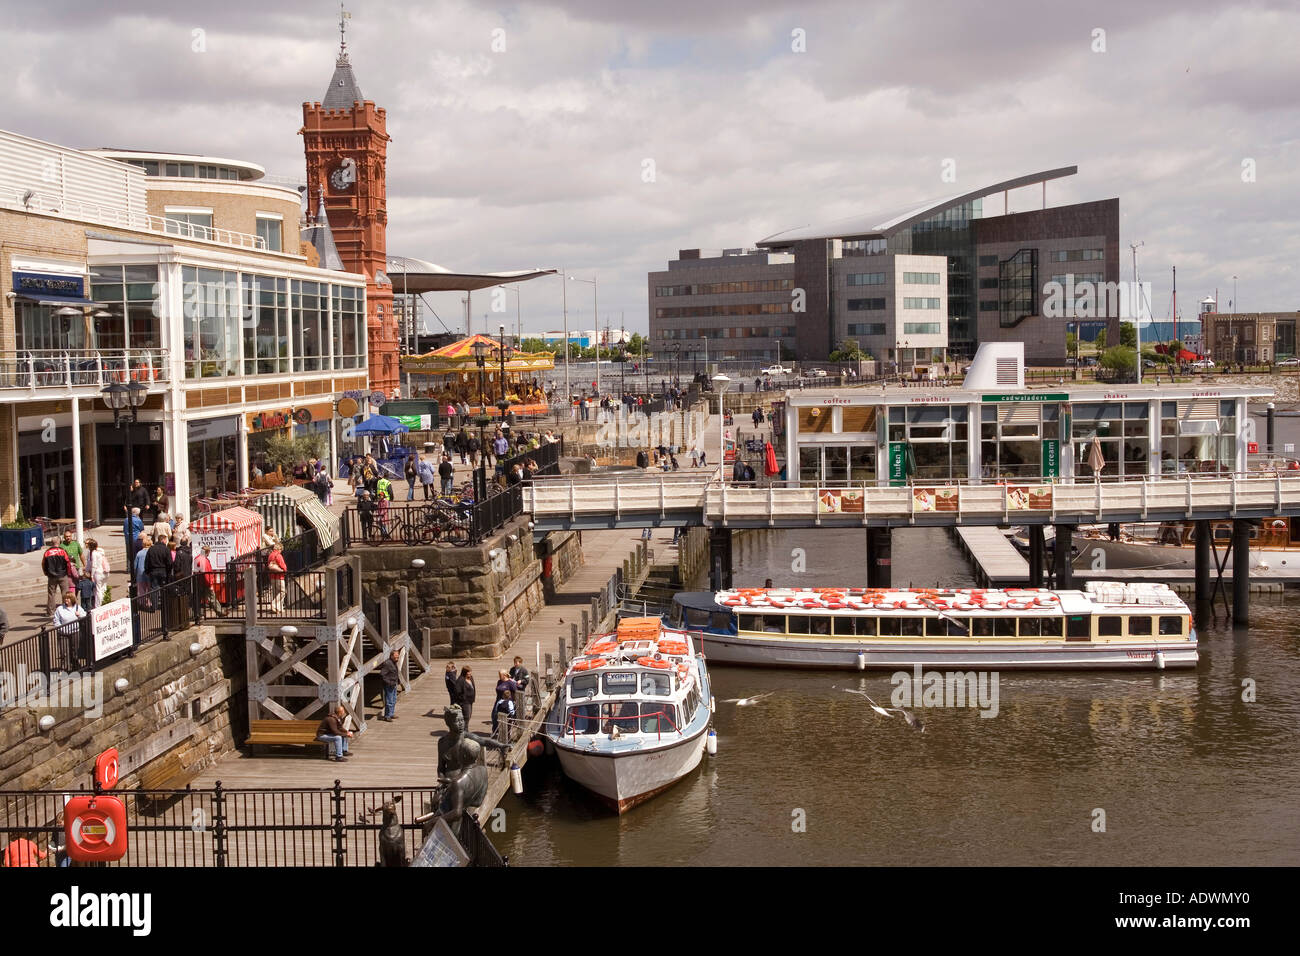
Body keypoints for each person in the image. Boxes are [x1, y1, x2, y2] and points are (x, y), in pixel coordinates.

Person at [42, 540, 76, 616]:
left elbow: (43, 564)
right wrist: (68, 573)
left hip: (51, 576)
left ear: (51, 543)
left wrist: (46, 573)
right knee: (65, 593)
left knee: (51, 594)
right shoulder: (63, 551)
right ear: (59, 543)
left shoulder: (47, 552)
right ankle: (66, 610)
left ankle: (51, 612)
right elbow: (68, 563)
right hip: (63, 575)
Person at [194, 544, 225, 616]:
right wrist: (210, 584)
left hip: (198, 582)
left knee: (198, 599)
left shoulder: (197, 558)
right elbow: (206, 574)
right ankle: (220, 612)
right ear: (207, 552)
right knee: (212, 598)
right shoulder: (204, 560)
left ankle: (197, 614)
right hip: (205, 583)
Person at [145, 533, 173, 605]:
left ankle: (154, 605)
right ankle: (164, 606)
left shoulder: (151, 549)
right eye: (166, 540)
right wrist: (168, 571)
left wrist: (147, 571)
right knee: (164, 588)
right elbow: (169, 562)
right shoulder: (166, 549)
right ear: (163, 540)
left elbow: (147, 561)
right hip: (163, 571)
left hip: (153, 571)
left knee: (154, 589)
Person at [379, 649, 401, 721]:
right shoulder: (387, 663)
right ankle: (387, 716)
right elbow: (382, 675)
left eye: (397, 657)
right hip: (389, 685)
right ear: (391, 656)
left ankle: (391, 714)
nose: (397, 658)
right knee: (389, 701)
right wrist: (389, 682)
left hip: (394, 684)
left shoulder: (394, 662)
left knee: (394, 700)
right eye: (395, 657)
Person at [266, 542, 287, 613]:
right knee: (282, 592)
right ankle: (274, 604)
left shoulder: (270, 555)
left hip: (272, 576)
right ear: (279, 548)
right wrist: (284, 570)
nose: (281, 551)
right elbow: (283, 566)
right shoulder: (278, 555)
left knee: (275, 592)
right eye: (281, 549)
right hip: (279, 576)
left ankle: (278, 608)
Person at [134, 534, 151, 602]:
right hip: (149, 573)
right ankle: (149, 602)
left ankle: (142, 603)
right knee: (149, 589)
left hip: (140, 573)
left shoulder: (139, 553)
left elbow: (135, 566)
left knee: (141, 590)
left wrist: (135, 573)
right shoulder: (151, 552)